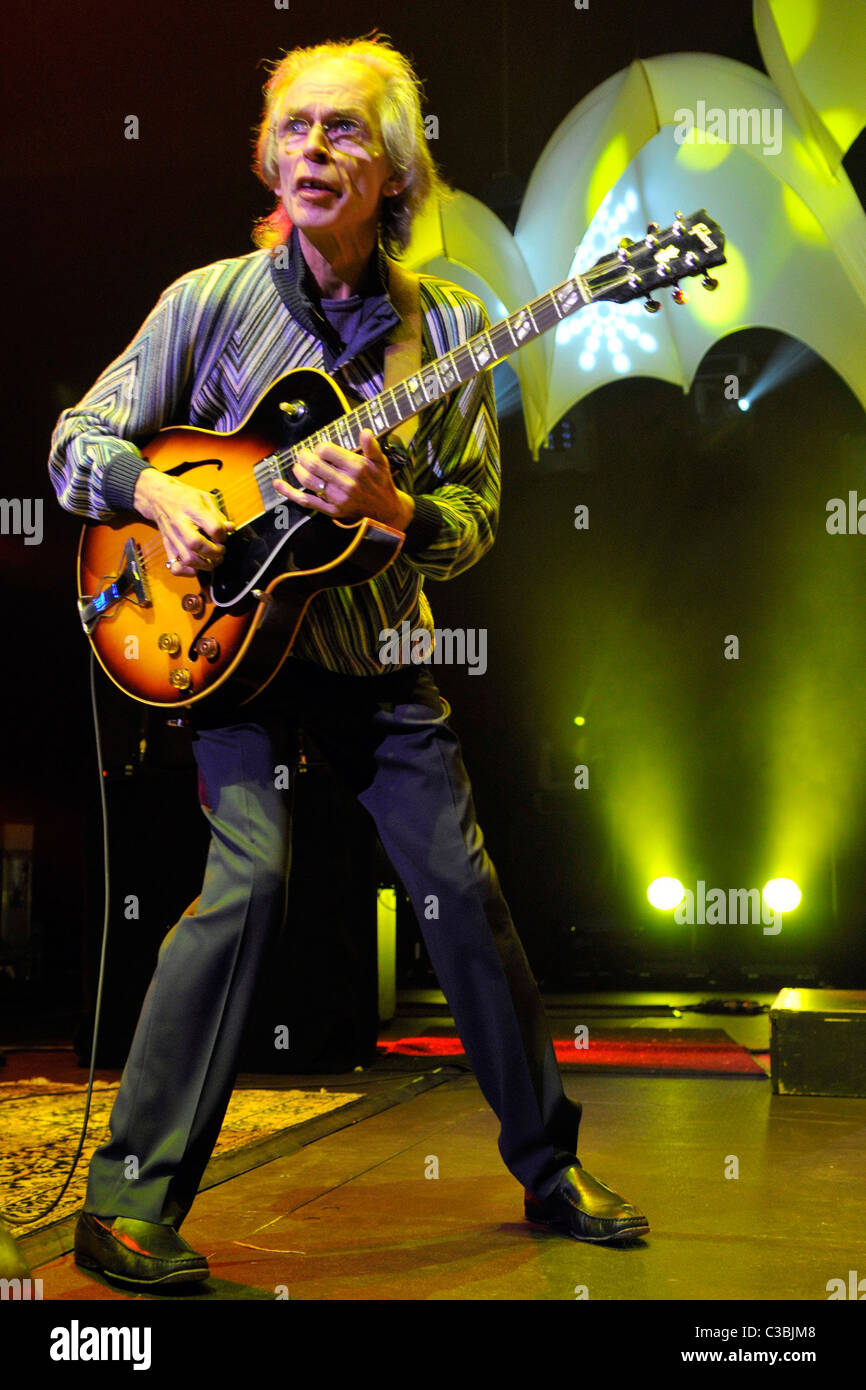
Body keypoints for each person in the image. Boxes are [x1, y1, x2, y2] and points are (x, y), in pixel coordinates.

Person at [48, 34, 649, 1287]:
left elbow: (473, 521)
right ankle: (129, 1201)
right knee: (245, 885)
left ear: (397, 172)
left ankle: (549, 1168)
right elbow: (75, 442)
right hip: (221, 659)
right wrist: (156, 494)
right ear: (270, 155)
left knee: (464, 896)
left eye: (346, 133)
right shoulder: (209, 301)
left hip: (371, 659)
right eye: (296, 130)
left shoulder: (456, 330)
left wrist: (390, 513)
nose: (314, 151)